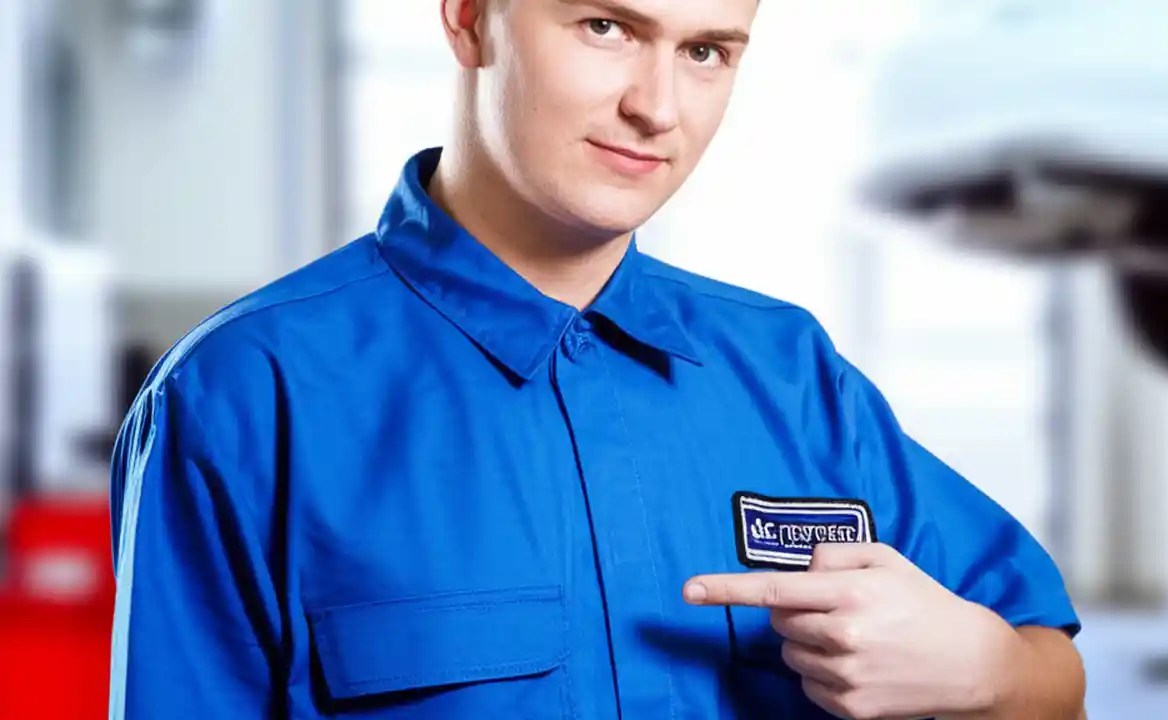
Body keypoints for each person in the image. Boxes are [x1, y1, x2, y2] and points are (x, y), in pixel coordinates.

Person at [108, 1, 1086, 718]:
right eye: (605, 28)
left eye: (704, 51)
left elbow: (1053, 675)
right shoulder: (244, 395)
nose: (655, 107)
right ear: (467, 18)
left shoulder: (788, 372)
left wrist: (985, 672)